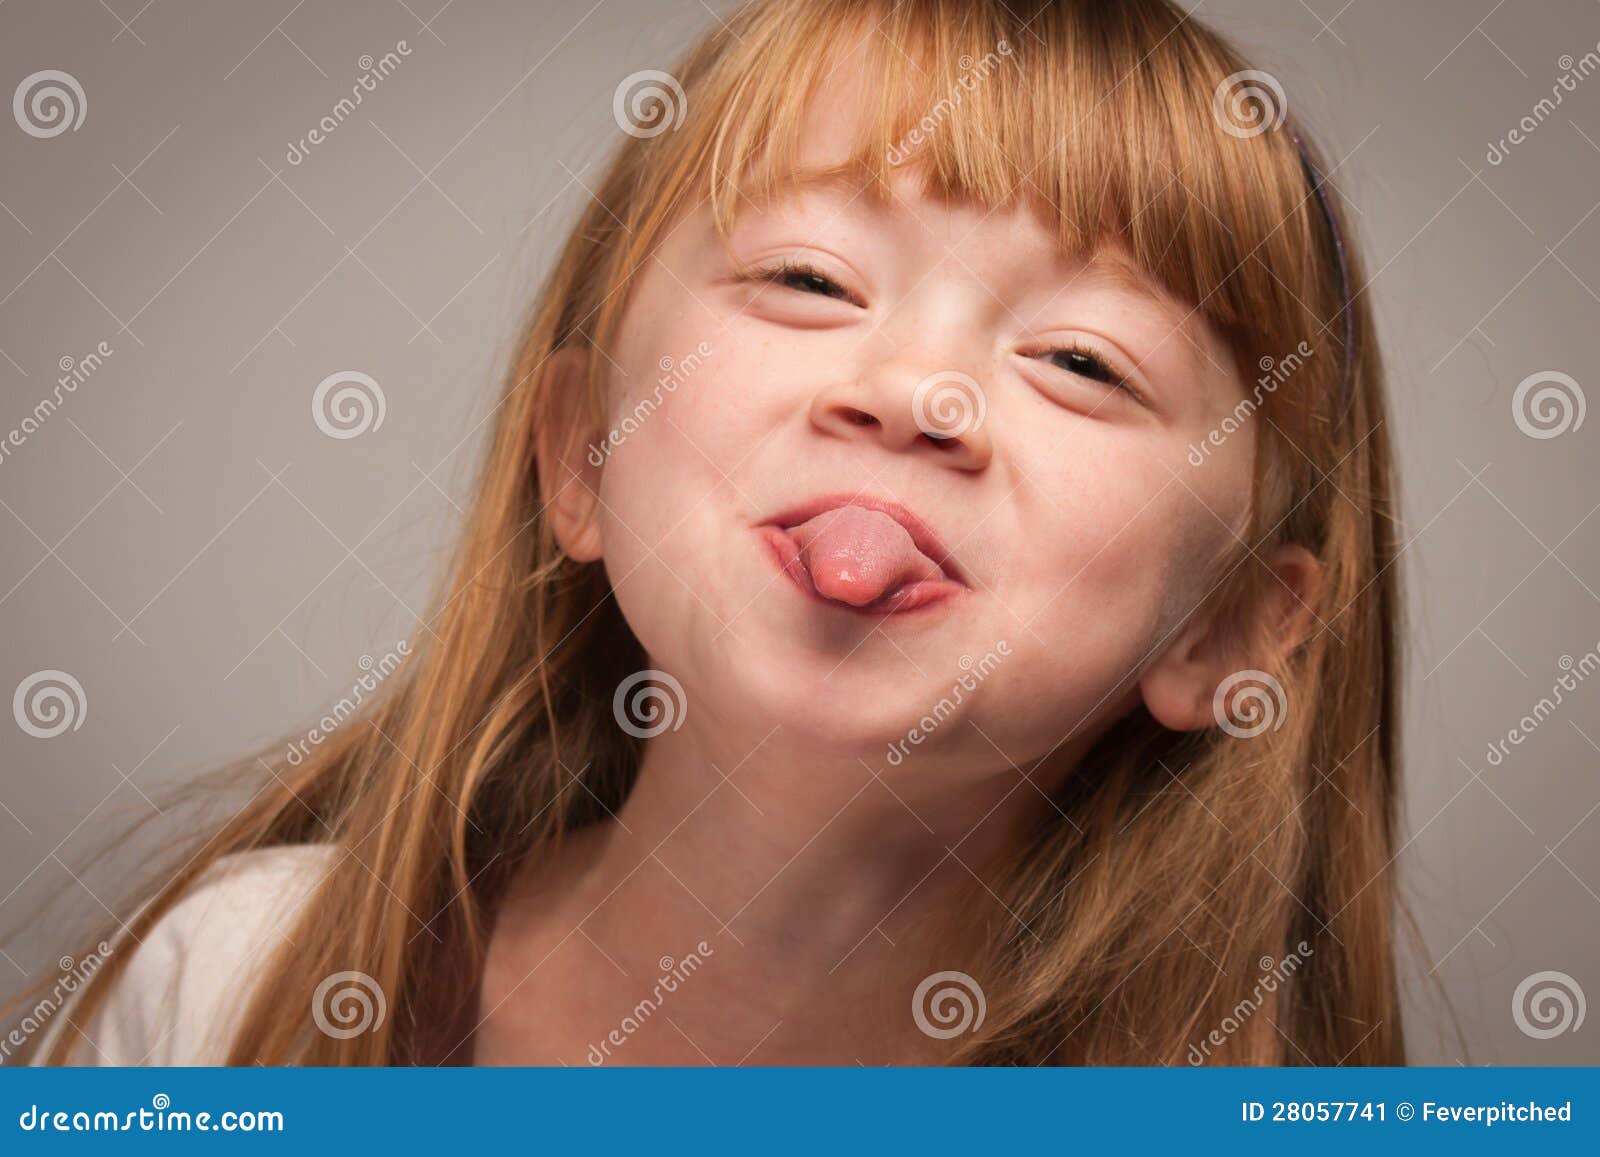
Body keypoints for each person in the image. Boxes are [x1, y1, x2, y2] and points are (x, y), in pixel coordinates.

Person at [15, 0, 1406, 1066]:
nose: (914, 395)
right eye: (807, 279)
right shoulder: (230, 990)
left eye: (1083, 362)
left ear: (1225, 625)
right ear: (582, 455)